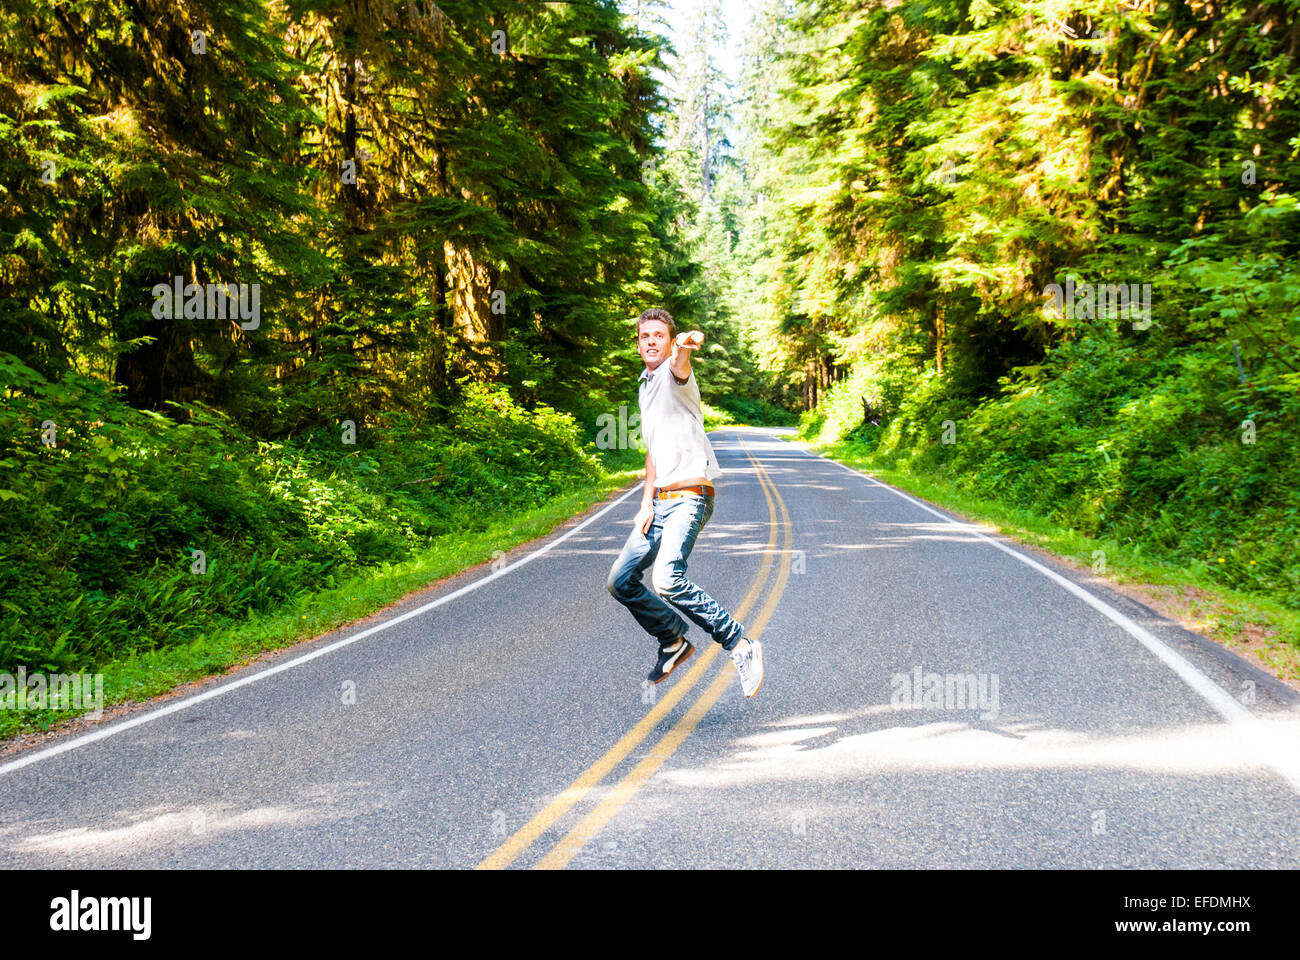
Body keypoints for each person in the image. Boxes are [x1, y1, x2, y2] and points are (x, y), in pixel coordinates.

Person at [605, 307, 764, 698]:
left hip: (691, 496)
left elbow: (681, 361)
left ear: (668, 339)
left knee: (666, 579)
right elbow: (653, 452)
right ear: (638, 343)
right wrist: (645, 504)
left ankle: (740, 644)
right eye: (645, 336)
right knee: (620, 581)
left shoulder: (674, 375)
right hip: (659, 502)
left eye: (659, 335)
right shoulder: (645, 385)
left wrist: (685, 345)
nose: (651, 342)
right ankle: (673, 640)